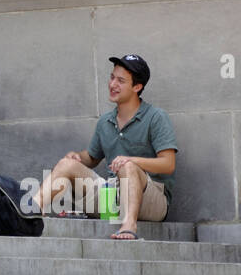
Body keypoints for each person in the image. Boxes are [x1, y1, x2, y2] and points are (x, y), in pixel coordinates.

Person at [30, 54, 178, 240]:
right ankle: (32, 210)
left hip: (151, 202)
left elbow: (168, 164)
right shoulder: (105, 122)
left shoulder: (156, 117)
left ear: (137, 87)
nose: (112, 84)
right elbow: (92, 157)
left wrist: (131, 161)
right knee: (66, 164)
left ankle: (129, 225)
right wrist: (78, 157)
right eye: (112, 77)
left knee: (128, 167)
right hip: (111, 199)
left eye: (121, 81)